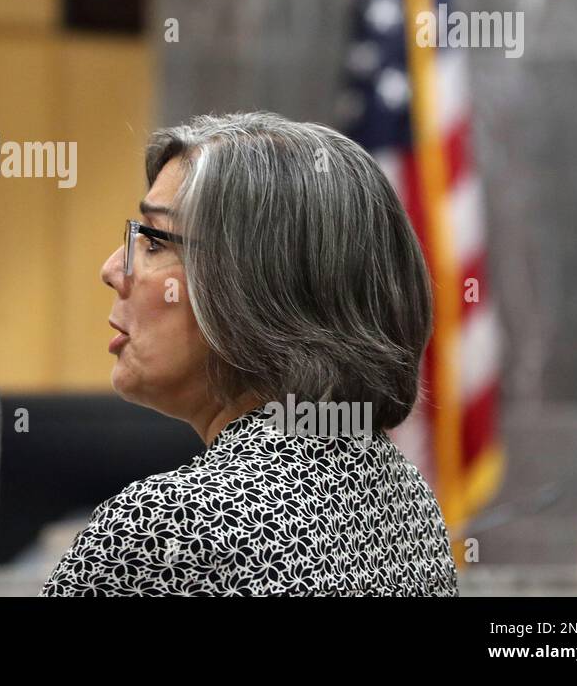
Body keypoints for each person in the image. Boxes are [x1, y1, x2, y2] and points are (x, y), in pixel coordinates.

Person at [40, 112, 459, 595]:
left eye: (154, 241)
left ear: (253, 286)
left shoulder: (170, 528)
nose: (112, 269)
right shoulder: (406, 499)